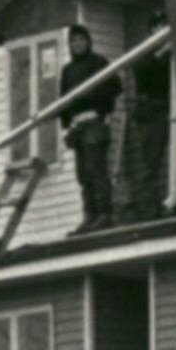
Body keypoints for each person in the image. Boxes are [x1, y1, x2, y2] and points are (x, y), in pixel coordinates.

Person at [55, 21, 122, 227]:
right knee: (83, 173)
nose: (77, 44)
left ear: (88, 41)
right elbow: (64, 99)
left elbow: (115, 86)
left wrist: (95, 100)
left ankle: (104, 213)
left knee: (96, 169)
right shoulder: (67, 70)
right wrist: (66, 127)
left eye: (81, 39)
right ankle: (90, 215)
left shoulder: (99, 63)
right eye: (73, 40)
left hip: (94, 121)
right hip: (77, 127)